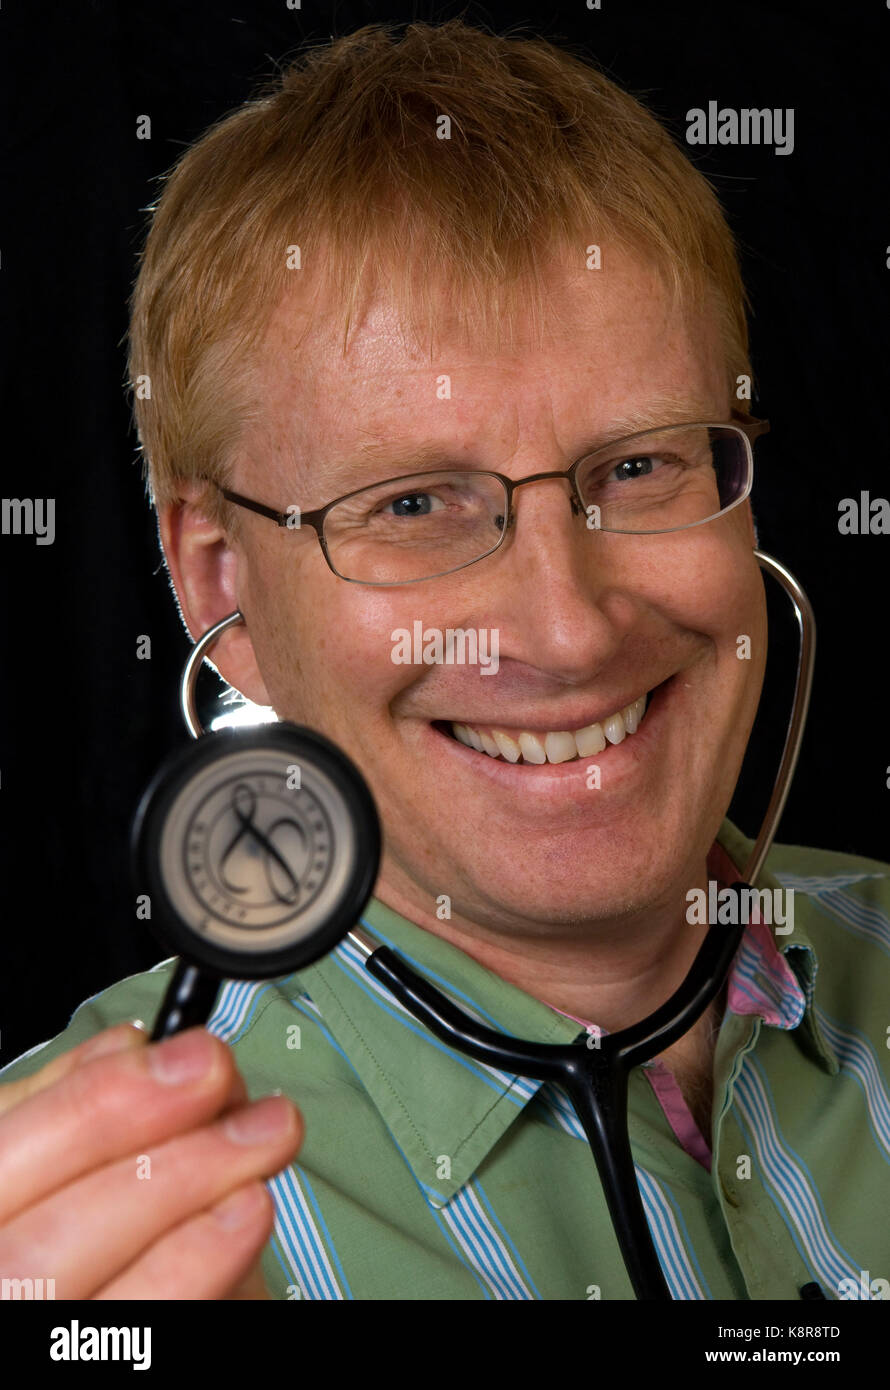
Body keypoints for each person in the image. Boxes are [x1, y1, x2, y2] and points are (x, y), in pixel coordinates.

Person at [1, 19, 888, 1303]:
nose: (567, 628)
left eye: (638, 467)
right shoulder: (60, 1221)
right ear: (219, 580)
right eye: (414, 503)